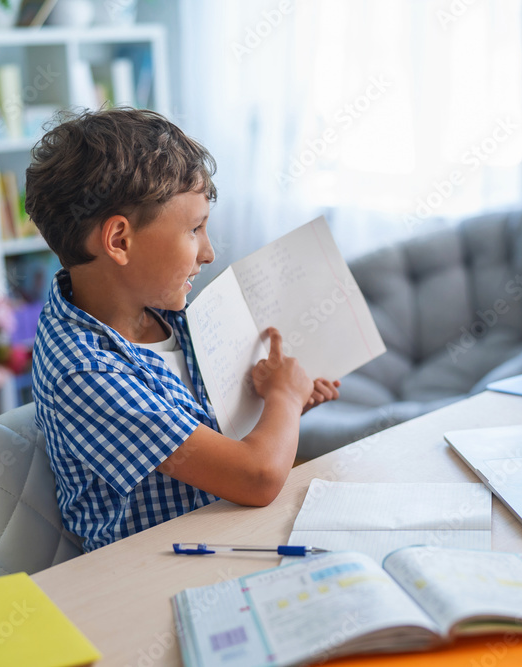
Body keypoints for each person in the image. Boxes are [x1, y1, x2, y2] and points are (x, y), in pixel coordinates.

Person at [25, 108, 340, 552]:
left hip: (226, 537)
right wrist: (284, 399)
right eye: (194, 229)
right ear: (119, 241)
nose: (209, 253)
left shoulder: (171, 317)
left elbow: (219, 439)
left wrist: (277, 407)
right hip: (155, 570)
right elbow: (257, 478)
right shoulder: (83, 370)